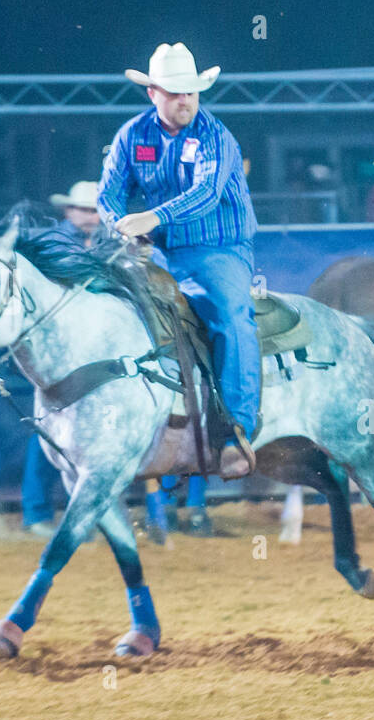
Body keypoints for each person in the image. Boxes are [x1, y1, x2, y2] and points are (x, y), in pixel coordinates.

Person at [98, 41, 259, 480]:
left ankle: (238, 429)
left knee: (230, 314)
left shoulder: (215, 136)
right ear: (153, 93)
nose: (185, 99)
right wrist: (119, 224)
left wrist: (151, 216)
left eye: (191, 91)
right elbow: (107, 194)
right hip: (161, 252)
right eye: (175, 92)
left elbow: (206, 195)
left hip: (219, 249)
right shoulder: (132, 136)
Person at [49, 180, 102, 245]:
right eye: (83, 210)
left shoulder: (103, 238)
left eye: (95, 211)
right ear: (68, 211)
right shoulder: (54, 241)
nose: (89, 216)